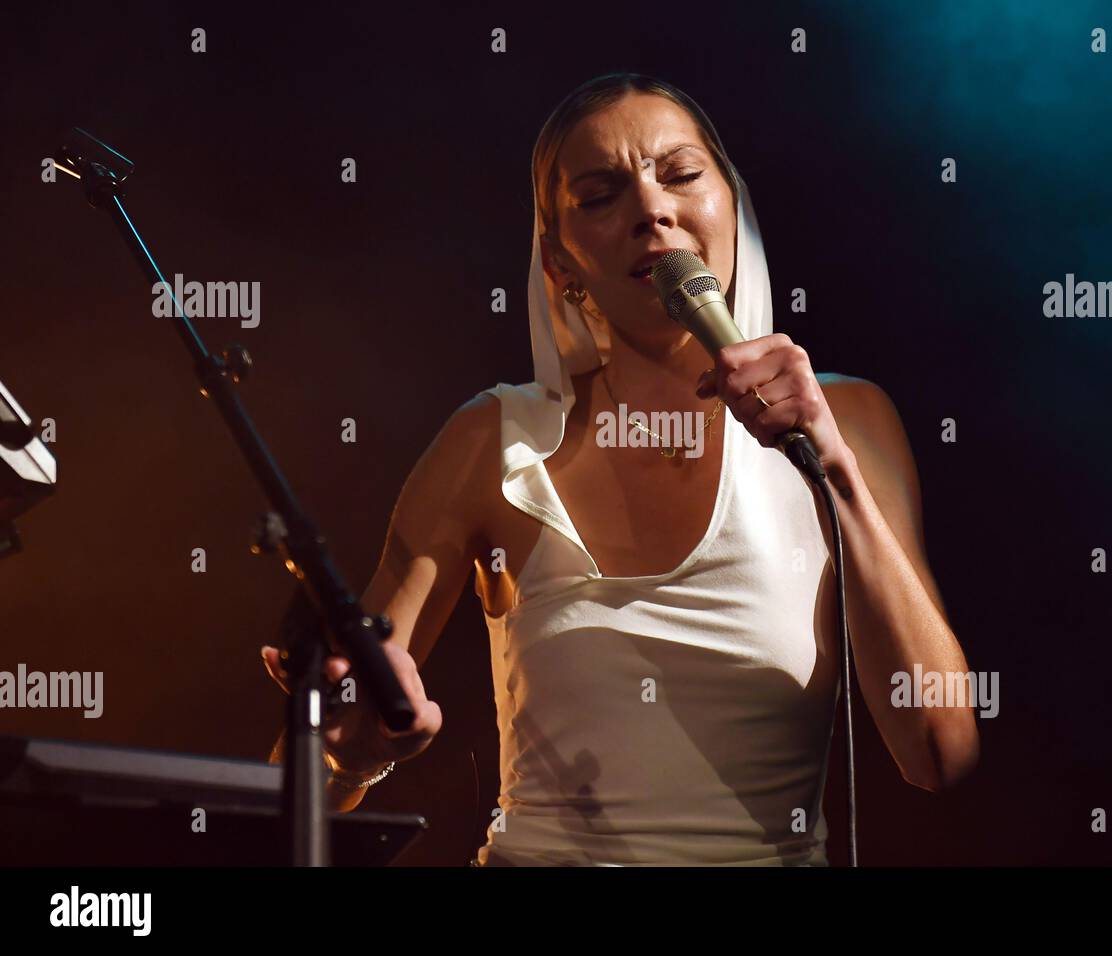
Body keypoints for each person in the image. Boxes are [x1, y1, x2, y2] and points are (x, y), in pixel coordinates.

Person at [262, 73, 978, 866]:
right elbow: (291, 800)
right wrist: (348, 757)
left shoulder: (853, 423)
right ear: (559, 262)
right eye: (601, 195)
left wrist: (835, 470)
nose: (652, 210)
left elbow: (941, 752)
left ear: (732, 206)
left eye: (680, 175)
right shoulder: (492, 444)